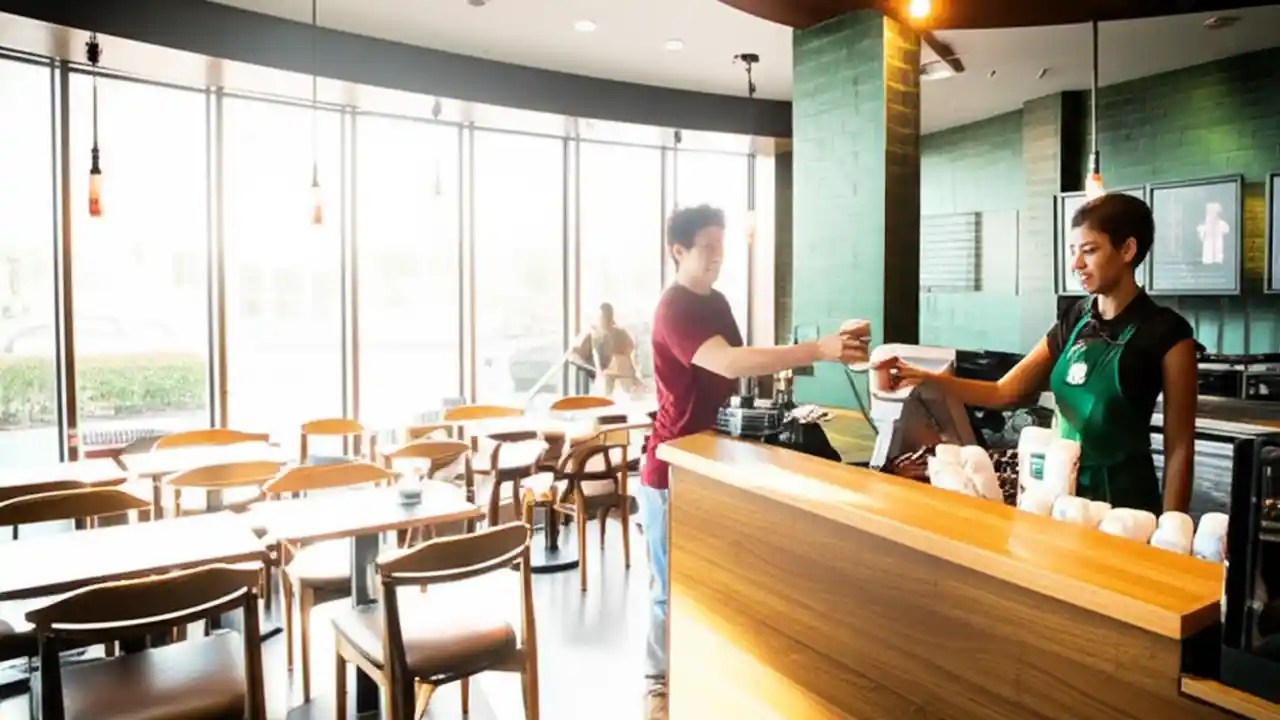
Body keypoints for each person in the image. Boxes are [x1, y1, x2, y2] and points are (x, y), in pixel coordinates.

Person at [639, 204, 869, 719]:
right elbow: (728, 361)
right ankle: (657, 685)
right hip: (670, 467)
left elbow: (744, 372)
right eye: (708, 248)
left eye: (722, 247)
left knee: (710, 581)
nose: (719, 257)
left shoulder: (716, 302)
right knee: (668, 587)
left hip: (712, 461)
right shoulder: (674, 308)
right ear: (678, 251)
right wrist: (819, 349)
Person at [877, 193, 1198, 515]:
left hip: (1124, 507)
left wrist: (1174, 529)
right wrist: (923, 380)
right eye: (1073, 251)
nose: (1076, 265)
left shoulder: (1166, 333)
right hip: (1060, 497)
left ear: (1127, 249)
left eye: (1090, 251)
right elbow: (1006, 391)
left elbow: (1180, 447)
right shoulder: (1076, 318)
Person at [590, 303, 642, 396]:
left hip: (624, 377)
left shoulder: (620, 334)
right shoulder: (597, 337)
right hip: (608, 376)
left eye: (605, 317)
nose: (603, 320)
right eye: (602, 317)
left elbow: (631, 348)